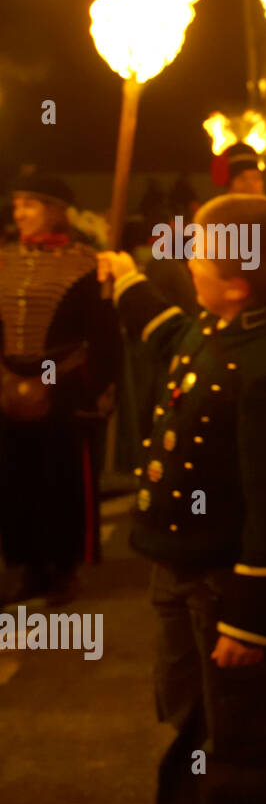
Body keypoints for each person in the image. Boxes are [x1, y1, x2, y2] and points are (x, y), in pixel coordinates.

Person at [97, 194, 266, 804]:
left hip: (224, 586)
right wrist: (126, 281)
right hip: (178, 563)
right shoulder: (221, 325)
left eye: (200, 255)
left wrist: (250, 619)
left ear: (239, 285)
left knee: (240, 733)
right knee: (190, 710)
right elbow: (171, 334)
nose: (188, 262)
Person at [0, 174, 120, 606]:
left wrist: (99, 386)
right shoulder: (4, 260)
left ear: (52, 209)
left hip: (61, 378)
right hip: (8, 381)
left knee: (60, 479)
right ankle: (26, 565)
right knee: (15, 480)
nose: (19, 213)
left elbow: (102, 334)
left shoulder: (86, 263)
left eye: (28, 205)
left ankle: (63, 567)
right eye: (16, 205)